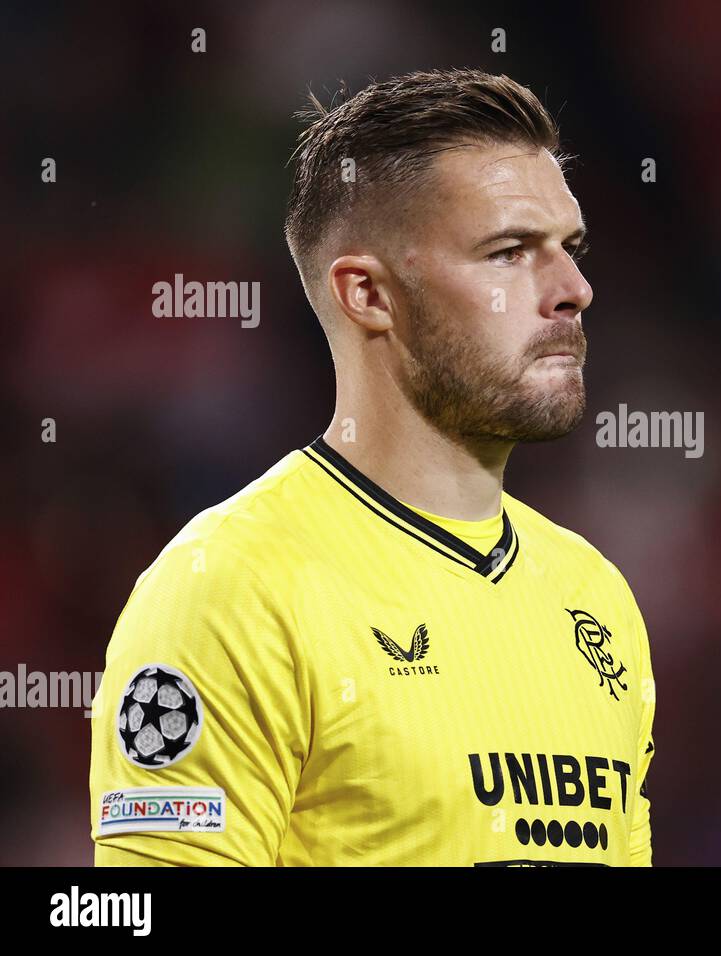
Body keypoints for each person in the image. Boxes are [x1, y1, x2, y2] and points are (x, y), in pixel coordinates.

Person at [89, 68, 655, 866]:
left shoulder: (596, 600)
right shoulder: (231, 589)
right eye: (508, 253)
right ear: (368, 296)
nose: (575, 289)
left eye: (569, 249)